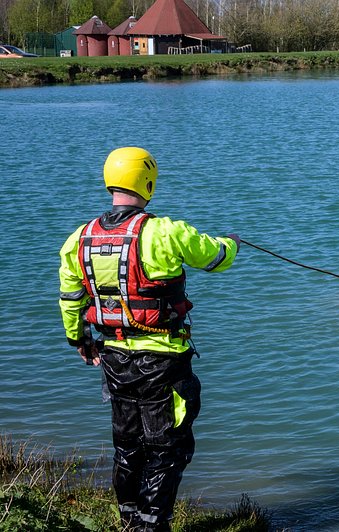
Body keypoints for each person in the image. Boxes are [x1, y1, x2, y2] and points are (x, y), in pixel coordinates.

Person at [58, 147, 240, 532]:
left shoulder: (79, 238)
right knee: (168, 449)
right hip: (163, 362)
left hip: (114, 358)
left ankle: (129, 522)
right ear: (148, 182)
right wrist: (232, 243)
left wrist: (79, 339)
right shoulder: (165, 232)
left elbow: (71, 298)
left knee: (127, 447)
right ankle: (152, 526)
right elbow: (215, 258)